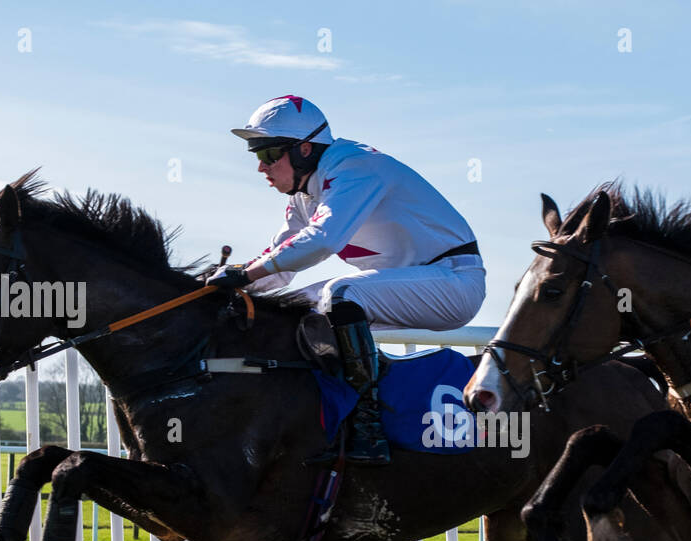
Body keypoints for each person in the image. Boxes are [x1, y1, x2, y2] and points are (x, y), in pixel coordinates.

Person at [207, 95, 485, 465]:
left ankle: (368, 427)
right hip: (410, 280)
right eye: (257, 155)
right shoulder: (306, 193)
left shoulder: (355, 166)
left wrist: (242, 275)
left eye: (270, 154)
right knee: (293, 309)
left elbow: (322, 240)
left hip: (454, 284)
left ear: (306, 149)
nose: (261, 167)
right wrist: (220, 291)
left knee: (340, 293)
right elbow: (281, 264)